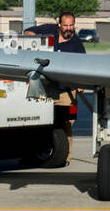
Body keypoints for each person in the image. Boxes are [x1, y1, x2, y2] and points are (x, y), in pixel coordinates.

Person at [25, 13, 86, 165]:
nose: (69, 28)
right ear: (59, 25)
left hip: (66, 90)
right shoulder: (49, 30)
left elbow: (84, 66)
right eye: (65, 25)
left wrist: (81, 84)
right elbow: (28, 33)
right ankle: (34, 154)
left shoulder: (77, 44)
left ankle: (65, 157)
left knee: (66, 123)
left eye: (71, 25)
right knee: (38, 122)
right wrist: (37, 42)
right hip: (46, 88)